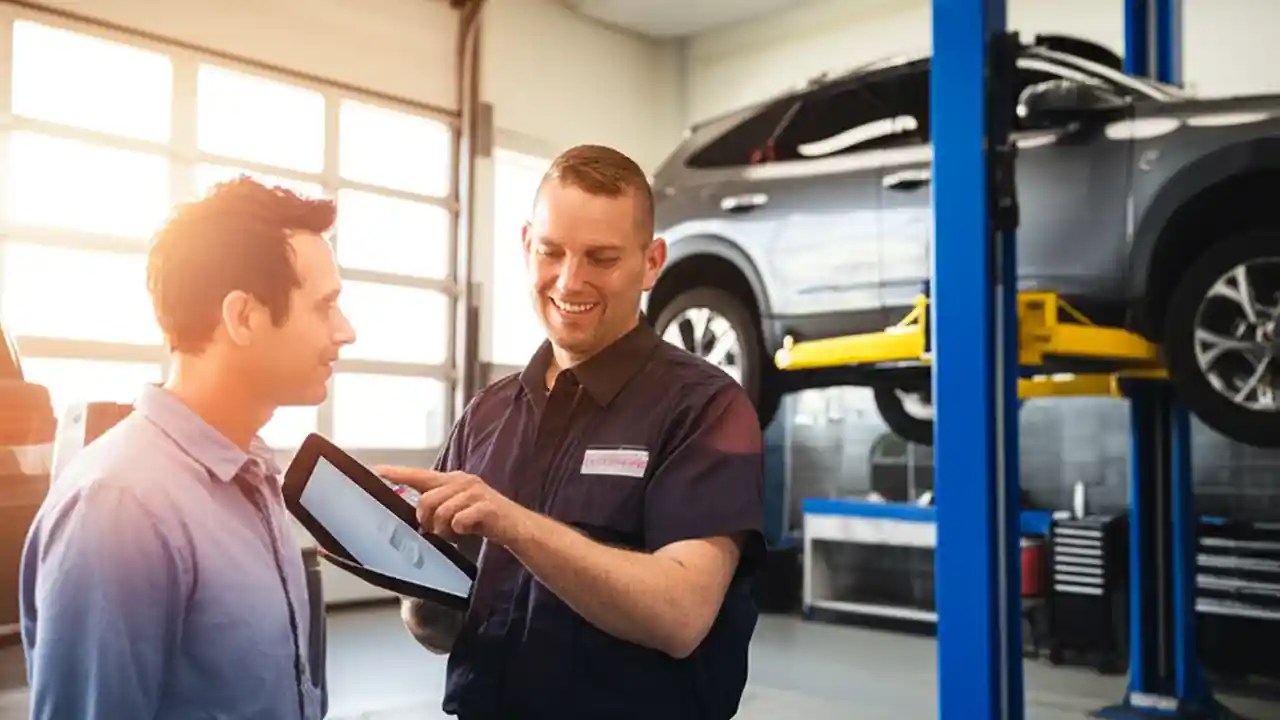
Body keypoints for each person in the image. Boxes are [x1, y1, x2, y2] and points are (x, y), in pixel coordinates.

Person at [379, 144, 766, 719]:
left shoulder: (708, 410)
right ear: (525, 244)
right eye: (550, 251)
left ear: (652, 261)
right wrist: (401, 569)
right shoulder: (488, 414)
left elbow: (681, 616)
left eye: (602, 258)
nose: (569, 280)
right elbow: (441, 628)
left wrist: (513, 526)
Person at [19, 177, 356, 719]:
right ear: (242, 316)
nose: (346, 332)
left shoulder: (251, 472)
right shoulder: (121, 507)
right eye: (325, 306)